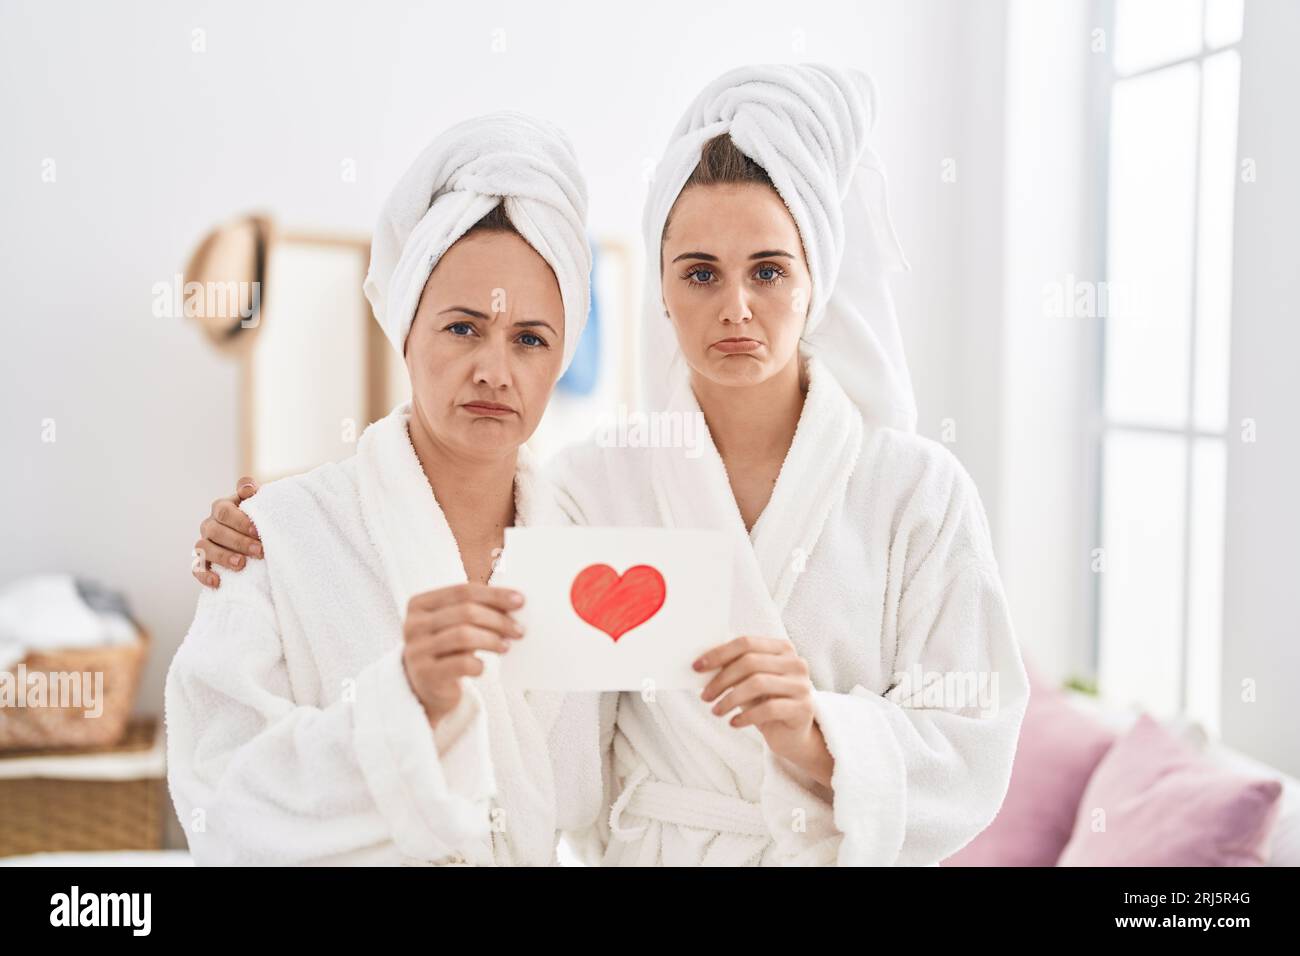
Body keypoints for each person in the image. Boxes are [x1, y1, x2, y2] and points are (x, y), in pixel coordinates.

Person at [166, 111, 607, 866]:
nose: (495, 370)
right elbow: (217, 797)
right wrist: (400, 708)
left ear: (560, 356)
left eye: (529, 338)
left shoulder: (588, 548)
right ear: (405, 329)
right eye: (463, 328)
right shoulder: (279, 535)